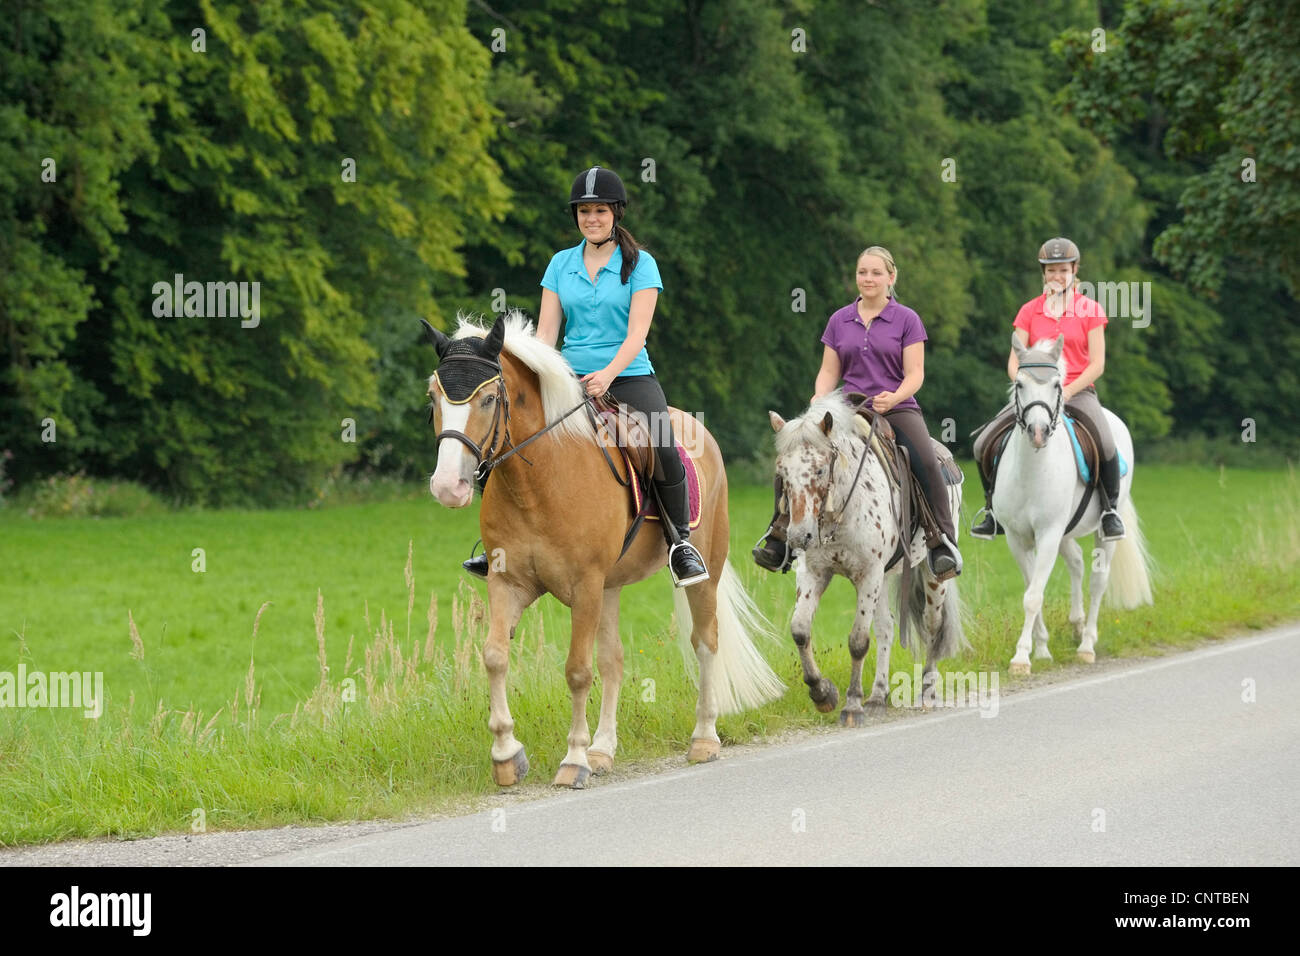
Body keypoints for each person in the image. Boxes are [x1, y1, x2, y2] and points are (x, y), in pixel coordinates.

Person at [463, 166, 710, 587]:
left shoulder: (641, 265)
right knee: (506, 435)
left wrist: (608, 375)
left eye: (599, 210)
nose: (591, 218)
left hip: (629, 375)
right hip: (568, 377)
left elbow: (637, 335)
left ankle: (680, 543)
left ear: (616, 213)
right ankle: (497, 543)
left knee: (662, 444)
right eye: (583, 211)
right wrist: (543, 374)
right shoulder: (560, 265)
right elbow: (545, 334)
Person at [752, 245, 962, 579]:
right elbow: (827, 372)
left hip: (896, 408)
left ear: (891, 277)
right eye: (862, 272)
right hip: (845, 410)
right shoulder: (840, 319)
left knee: (924, 457)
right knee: (795, 453)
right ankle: (779, 538)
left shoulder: (907, 319)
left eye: (876, 272)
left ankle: (941, 541)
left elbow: (916, 374)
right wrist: (819, 399)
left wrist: (894, 398)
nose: (868, 278)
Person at [969, 236, 1125, 541]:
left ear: (1075, 270)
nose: (1057, 276)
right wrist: (1023, 384)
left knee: (1106, 443)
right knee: (981, 444)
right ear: (1043, 273)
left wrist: (1067, 391)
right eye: (1051, 270)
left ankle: (1110, 511)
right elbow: (1014, 361)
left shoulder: (1090, 309)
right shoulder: (1029, 311)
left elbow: (1098, 364)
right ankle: (992, 511)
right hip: (1033, 396)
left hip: (1077, 391)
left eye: (1063, 270)